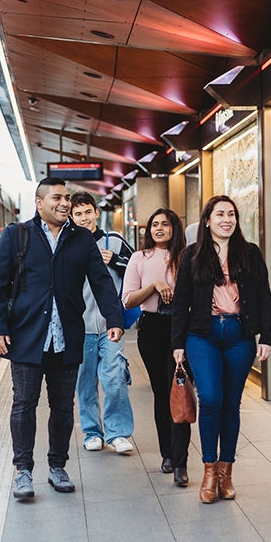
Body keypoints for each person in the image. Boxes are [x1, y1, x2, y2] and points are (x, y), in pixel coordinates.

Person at [0, 177, 125, 501]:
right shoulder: (16, 235)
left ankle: (57, 467)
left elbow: (101, 282)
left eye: (67, 198)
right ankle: (22, 471)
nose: (64, 203)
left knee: (63, 407)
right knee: (24, 405)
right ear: (39, 202)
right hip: (26, 338)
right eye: (57, 198)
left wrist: (113, 318)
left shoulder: (82, 240)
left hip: (68, 338)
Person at [171, 195, 271, 503]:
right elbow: (180, 304)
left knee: (230, 403)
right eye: (220, 214)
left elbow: (264, 297)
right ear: (207, 220)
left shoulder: (250, 253)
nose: (227, 219)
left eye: (231, 214)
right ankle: (208, 471)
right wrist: (178, 344)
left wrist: (265, 336)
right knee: (211, 398)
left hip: (239, 336)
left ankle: (226, 473)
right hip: (203, 335)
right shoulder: (192, 255)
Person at [122, 208, 190, 486]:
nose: (159, 228)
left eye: (165, 224)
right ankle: (168, 454)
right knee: (162, 393)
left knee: (181, 391)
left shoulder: (187, 256)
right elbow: (128, 300)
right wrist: (154, 285)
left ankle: (181, 461)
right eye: (154, 224)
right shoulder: (139, 258)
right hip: (151, 329)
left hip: (183, 329)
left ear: (175, 227)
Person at [70, 191, 136, 454]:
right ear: (71, 217)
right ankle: (91, 432)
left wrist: (116, 261)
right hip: (80, 326)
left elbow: (136, 267)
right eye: (78, 214)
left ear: (96, 212)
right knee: (84, 382)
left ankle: (118, 432)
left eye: (88, 212)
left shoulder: (115, 241)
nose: (84, 218)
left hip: (111, 324)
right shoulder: (69, 243)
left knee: (114, 378)